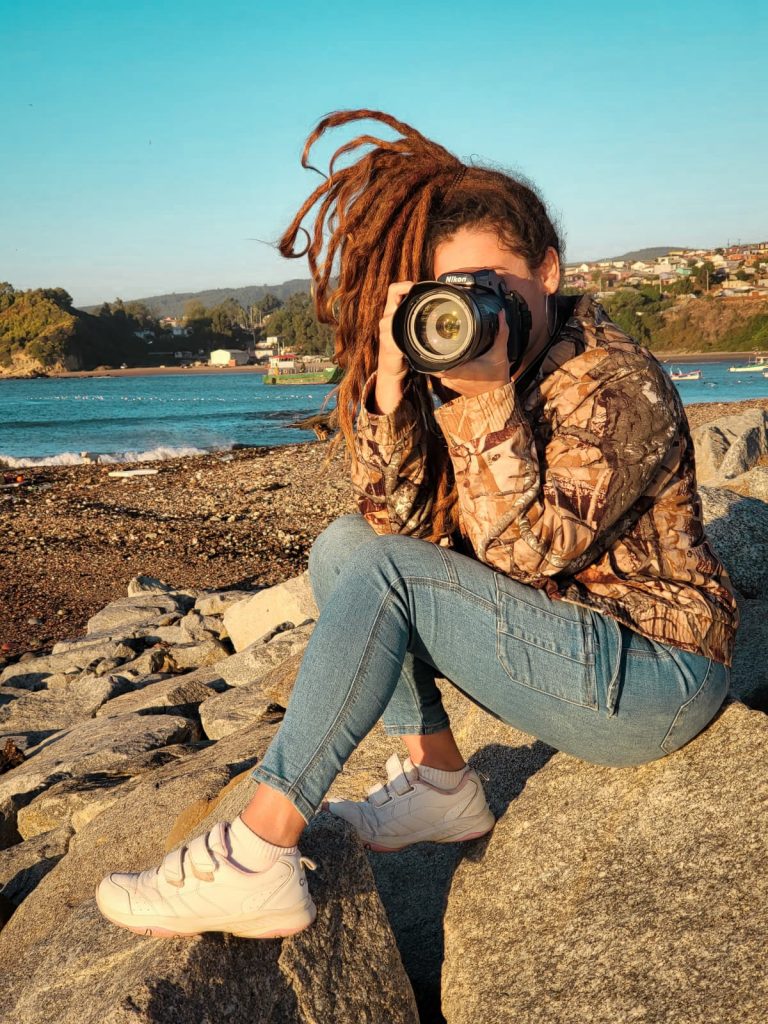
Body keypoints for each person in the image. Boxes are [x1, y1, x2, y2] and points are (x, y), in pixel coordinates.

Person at [96, 110, 738, 940]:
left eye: (495, 281)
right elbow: (394, 525)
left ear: (547, 270)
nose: (479, 305)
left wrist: (484, 400)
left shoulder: (613, 380)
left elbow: (525, 557)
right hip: (570, 645)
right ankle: (440, 784)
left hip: (657, 677)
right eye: (457, 290)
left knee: (385, 571)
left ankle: (257, 854)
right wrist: (393, 397)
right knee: (347, 548)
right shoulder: (482, 368)